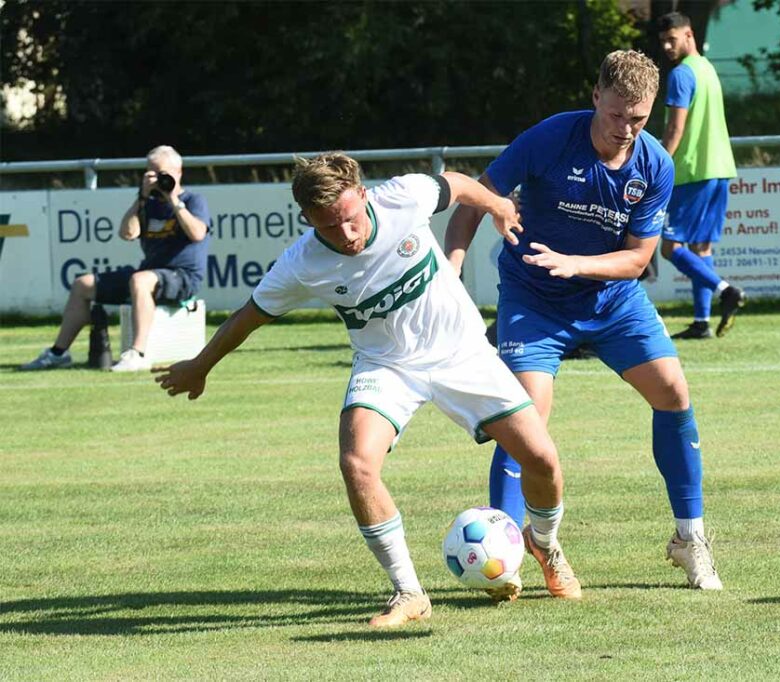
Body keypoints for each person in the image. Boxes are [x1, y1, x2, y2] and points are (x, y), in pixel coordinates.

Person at [153, 152, 582, 627]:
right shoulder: (302, 263)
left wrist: (498, 206)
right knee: (356, 462)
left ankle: (543, 545)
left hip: (462, 352)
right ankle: (409, 592)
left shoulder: (404, 196)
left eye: (350, 218)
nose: (347, 235)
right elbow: (249, 316)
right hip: (387, 365)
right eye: (329, 227)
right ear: (307, 220)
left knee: (542, 458)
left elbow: (457, 185)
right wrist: (200, 365)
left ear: (362, 193)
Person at [446, 50, 723, 590]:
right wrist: (451, 272)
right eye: (617, 114)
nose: (626, 129)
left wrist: (576, 265)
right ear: (596, 96)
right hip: (534, 299)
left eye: (639, 119)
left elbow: (638, 259)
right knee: (524, 418)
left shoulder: (654, 165)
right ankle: (515, 552)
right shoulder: (549, 138)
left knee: (673, 390)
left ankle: (690, 540)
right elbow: (476, 200)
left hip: (611, 300)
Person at [20, 145, 211, 372]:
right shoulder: (147, 203)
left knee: (140, 280)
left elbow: (198, 234)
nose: (157, 179)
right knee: (83, 285)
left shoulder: (193, 200)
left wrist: (173, 200)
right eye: (151, 173)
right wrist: (141, 198)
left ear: (178, 173)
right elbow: (127, 233)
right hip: (148, 274)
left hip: (183, 276)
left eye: (163, 174)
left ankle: (137, 353)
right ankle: (58, 353)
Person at [657, 12, 745, 340]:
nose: (667, 45)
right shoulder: (707, 69)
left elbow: (674, 127)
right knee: (701, 249)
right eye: (663, 41)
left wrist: (658, 165)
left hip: (692, 171)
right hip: (720, 169)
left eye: (672, 39)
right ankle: (701, 322)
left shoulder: (681, 74)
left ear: (689, 34)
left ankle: (725, 290)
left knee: (669, 248)